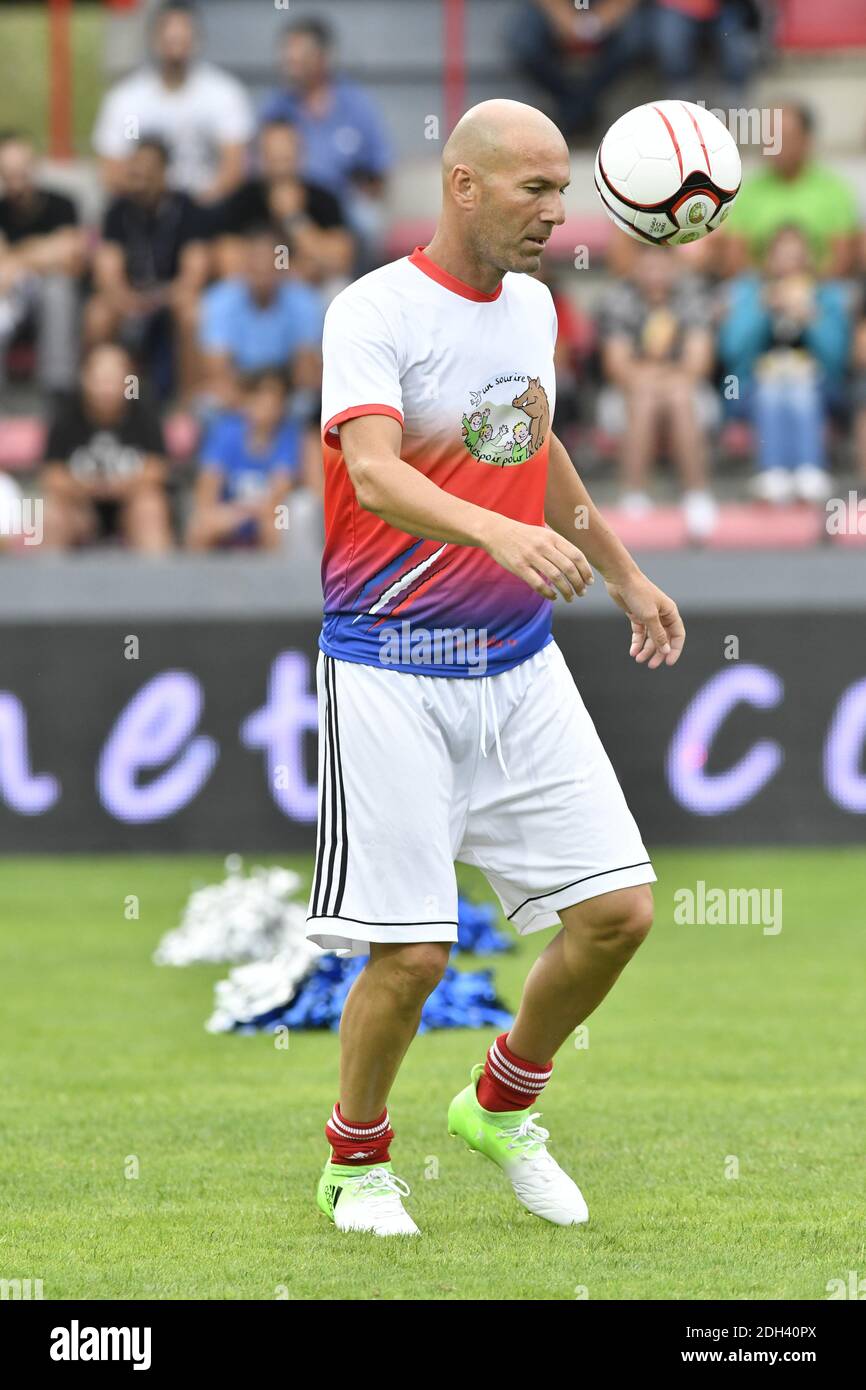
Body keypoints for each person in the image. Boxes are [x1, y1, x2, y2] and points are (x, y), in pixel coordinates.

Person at [307, 99, 685, 1237]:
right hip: (389, 661)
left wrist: (617, 570)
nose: (556, 213)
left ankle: (499, 1104)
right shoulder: (371, 310)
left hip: (514, 663)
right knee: (414, 954)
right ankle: (355, 1160)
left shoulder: (533, 308)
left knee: (618, 912)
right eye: (533, 189)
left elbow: (536, 444)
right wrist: (493, 532)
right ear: (461, 185)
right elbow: (372, 473)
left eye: (562, 189)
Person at [718, 225, 849, 503]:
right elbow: (732, 350)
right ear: (769, 260)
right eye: (782, 257)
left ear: (807, 261)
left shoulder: (827, 294)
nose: (789, 266)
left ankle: (808, 469)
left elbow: (838, 358)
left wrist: (811, 317)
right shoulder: (748, 291)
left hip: (818, 387)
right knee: (772, 389)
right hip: (747, 387)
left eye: (796, 258)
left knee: (799, 389)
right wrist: (761, 310)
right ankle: (773, 471)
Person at [597, 244, 718, 538]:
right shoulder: (617, 300)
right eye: (648, 267)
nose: (655, 275)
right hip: (626, 396)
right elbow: (616, 368)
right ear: (635, 267)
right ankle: (633, 493)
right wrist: (656, 379)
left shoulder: (693, 297)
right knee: (644, 397)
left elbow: (698, 364)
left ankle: (696, 494)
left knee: (678, 395)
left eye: (661, 267)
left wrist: (659, 377)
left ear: (675, 267)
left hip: (687, 393)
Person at [92, 0, 254, 205]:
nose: (176, 43)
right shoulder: (126, 99)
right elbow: (112, 170)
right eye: (169, 36)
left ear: (197, 39)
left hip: (206, 210)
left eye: (183, 36)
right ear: (153, 39)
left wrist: (195, 209)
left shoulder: (224, 93)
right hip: (144, 212)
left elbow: (235, 166)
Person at [87, 138, 210, 399]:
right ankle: (100, 399)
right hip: (128, 296)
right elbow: (107, 272)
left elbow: (195, 272)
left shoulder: (188, 208)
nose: (139, 174)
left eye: (148, 167)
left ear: (164, 171)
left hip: (171, 295)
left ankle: (188, 400)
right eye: (135, 166)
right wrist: (128, 299)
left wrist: (161, 298)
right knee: (98, 315)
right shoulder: (117, 211)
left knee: (192, 312)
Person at [258, 16, 392, 237]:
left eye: (299, 56)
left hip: (341, 202)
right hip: (290, 198)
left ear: (322, 57)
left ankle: (355, 271)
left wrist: (361, 190)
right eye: (287, 56)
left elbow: (378, 169)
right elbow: (257, 163)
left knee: (368, 219)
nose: (291, 63)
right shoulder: (275, 106)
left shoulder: (356, 105)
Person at [41, 342, 172, 551]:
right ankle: (46, 579)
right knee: (49, 513)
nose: (106, 389)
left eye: (113, 380)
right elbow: (51, 475)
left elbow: (158, 469)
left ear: (128, 381)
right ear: (85, 379)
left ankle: (159, 578)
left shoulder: (144, 410)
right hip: (79, 507)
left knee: (151, 507)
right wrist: (87, 489)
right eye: (100, 380)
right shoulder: (66, 413)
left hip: (129, 505)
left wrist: (120, 487)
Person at [212, 118, 355, 288]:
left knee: (337, 287)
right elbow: (227, 263)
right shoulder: (242, 200)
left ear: (300, 156)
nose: (280, 170)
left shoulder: (323, 199)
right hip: (255, 293)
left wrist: (294, 219)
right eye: (273, 160)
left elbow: (339, 261)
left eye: (285, 159)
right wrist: (275, 273)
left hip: (308, 291)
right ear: (261, 160)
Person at [186, 367, 318, 549]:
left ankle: (276, 577)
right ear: (247, 401)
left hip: (269, 513)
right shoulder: (226, 432)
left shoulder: (289, 437)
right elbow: (206, 491)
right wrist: (231, 515)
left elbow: (277, 495)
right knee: (201, 526)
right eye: (258, 398)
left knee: (274, 525)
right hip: (231, 512)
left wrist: (248, 513)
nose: (265, 406)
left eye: (273, 401)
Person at [723, 104, 859, 279]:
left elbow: (843, 259)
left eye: (783, 137)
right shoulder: (748, 191)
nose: (772, 145)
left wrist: (806, 286)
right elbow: (735, 257)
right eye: (768, 137)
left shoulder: (834, 191)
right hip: (760, 294)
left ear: (806, 140)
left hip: (820, 293)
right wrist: (771, 286)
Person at [198, 223, 324, 410]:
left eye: (269, 262)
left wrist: (272, 405)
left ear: (283, 266)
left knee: (306, 404)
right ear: (244, 264)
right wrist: (251, 406)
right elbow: (218, 373)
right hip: (239, 386)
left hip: (285, 390)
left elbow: (305, 372)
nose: (261, 270)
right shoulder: (219, 300)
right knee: (206, 406)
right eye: (255, 261)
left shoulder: (304, 300)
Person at [0, 132, 86, 393]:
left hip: (51, 290)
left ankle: (57, 391)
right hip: (11, 295)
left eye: (21, 173)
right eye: (8, 175)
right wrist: (45, 249)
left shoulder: (62, 204)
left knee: (58, 291)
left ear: (34, 168)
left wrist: (16, 258)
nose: (16, 184)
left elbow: (71, 257)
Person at [507, 0, 648, 139]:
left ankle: (573, 112)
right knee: (524, 43)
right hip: (557, 9)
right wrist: (566, 20)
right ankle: (578, 109)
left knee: (632, 43)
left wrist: (596, 24)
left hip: (610, 10)